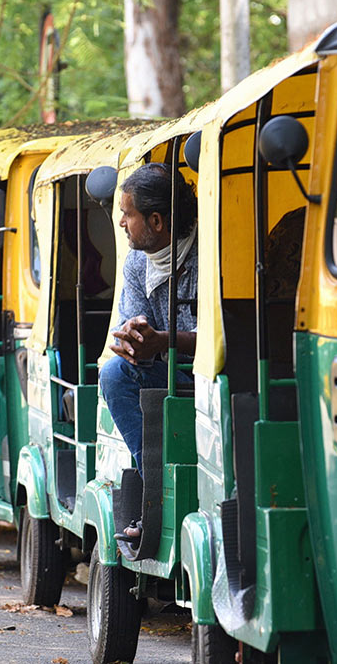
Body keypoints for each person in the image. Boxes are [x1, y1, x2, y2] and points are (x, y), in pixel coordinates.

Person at [98, 162, 198, 542]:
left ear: (156, 221)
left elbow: (225, 337)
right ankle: (154, 489)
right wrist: (131, 340)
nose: (122, 222)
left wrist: (166, 341)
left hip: (217, 376)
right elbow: (134, 324)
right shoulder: (137, 263)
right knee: (114, 374)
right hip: (167, 372)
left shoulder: (211, 251)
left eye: (128, 214)